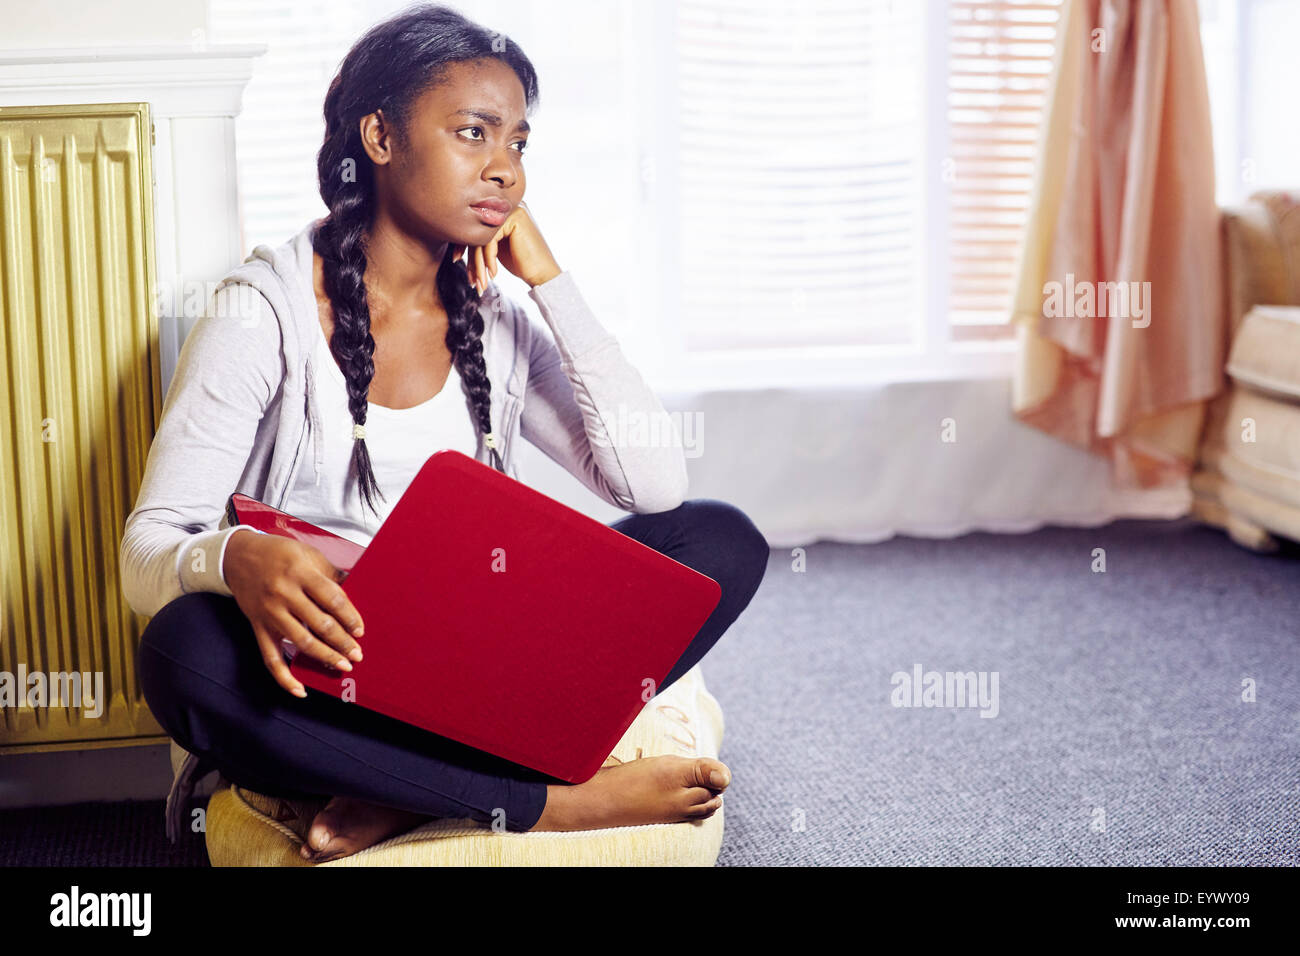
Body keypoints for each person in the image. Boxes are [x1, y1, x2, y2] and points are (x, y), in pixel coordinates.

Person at [124, 3, 769, 864]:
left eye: (519, 143)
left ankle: (396, 791)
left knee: (718, 539)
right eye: (474, 133)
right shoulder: (261, 313)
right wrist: (234, 556)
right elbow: (147, 550)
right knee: (181, 654)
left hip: (479, 657)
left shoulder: (496, 317)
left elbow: (651, 486)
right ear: (380, 138)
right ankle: (545, 803)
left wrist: (550, 282)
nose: (506, 169)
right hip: (334, 661)